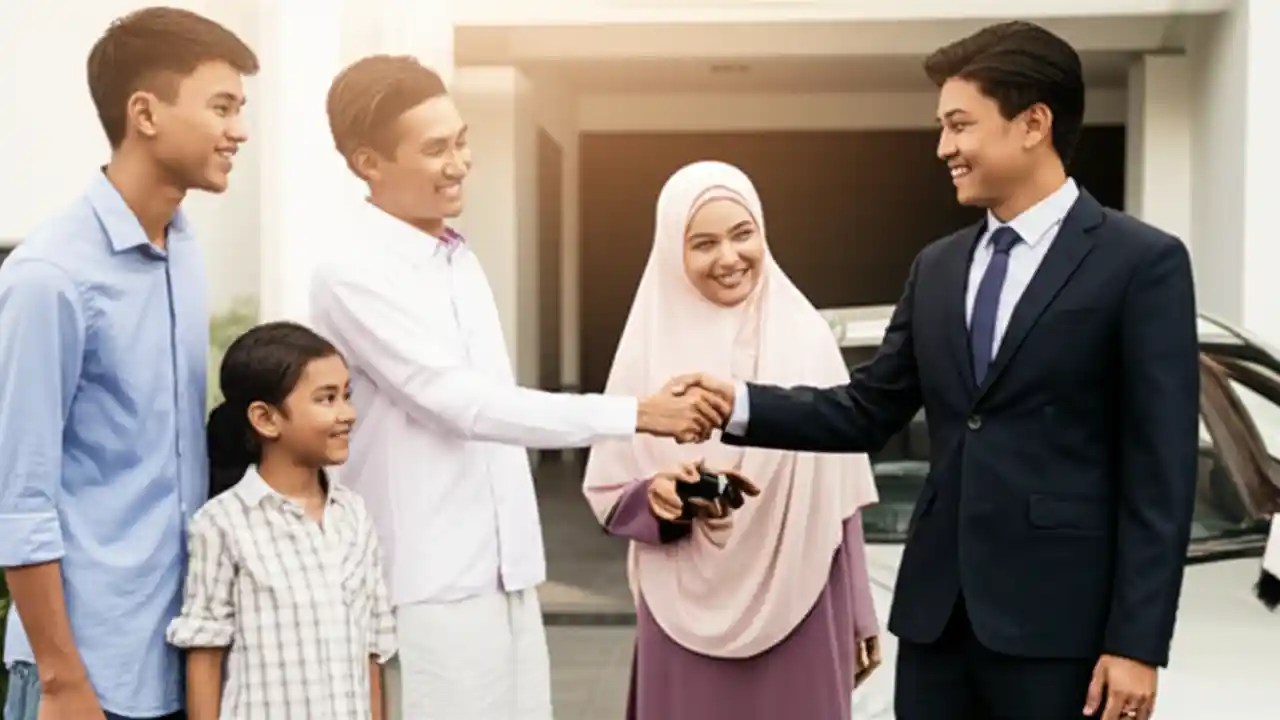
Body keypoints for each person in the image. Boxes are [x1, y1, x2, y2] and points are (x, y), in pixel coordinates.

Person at [675, 21, 1199, 720]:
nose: (943, 147)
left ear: (1033, 124)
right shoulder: (939, 266)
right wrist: (735, 404)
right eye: (942, 127)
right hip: (936, 625)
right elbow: (868, 409)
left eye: (959, 125)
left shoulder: (1142, 263)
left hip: (1062, 632)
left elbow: (1162, 473)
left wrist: (1137, 644)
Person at [309, 55, 729, 720]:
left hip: (508, 567)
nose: (459, 163)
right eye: (436, 149)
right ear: (368, 163)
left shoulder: (456, 256)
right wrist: (638, 414)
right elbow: (462, 404)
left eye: (462, 140)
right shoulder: (350, 271)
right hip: (427, 583)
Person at [0, 8, 257, 720]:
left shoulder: (183, 248)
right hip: (84, 674)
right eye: (222, 107)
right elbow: (19, 499)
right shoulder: (50, 277)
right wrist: (62, 681)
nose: (239, 130)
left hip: (176, 656)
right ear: (145, 113)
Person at [583, 160, 884, 719]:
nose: (729, 257)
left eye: (743, 234)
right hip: (681, 607)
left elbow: (840, 498)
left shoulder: (808, 338)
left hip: (803, 599)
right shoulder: (647, 351)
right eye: (704, 243)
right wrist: (661, 497)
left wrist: (861, 611)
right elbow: (609, 491)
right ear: (673, 252)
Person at [166, 321, 396, 720]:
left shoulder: (355, 516)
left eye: (346, 396)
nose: (347, 414)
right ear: (266, 419)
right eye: (326, 399)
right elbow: (205, 655)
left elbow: (371, 653)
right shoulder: (222, 524)